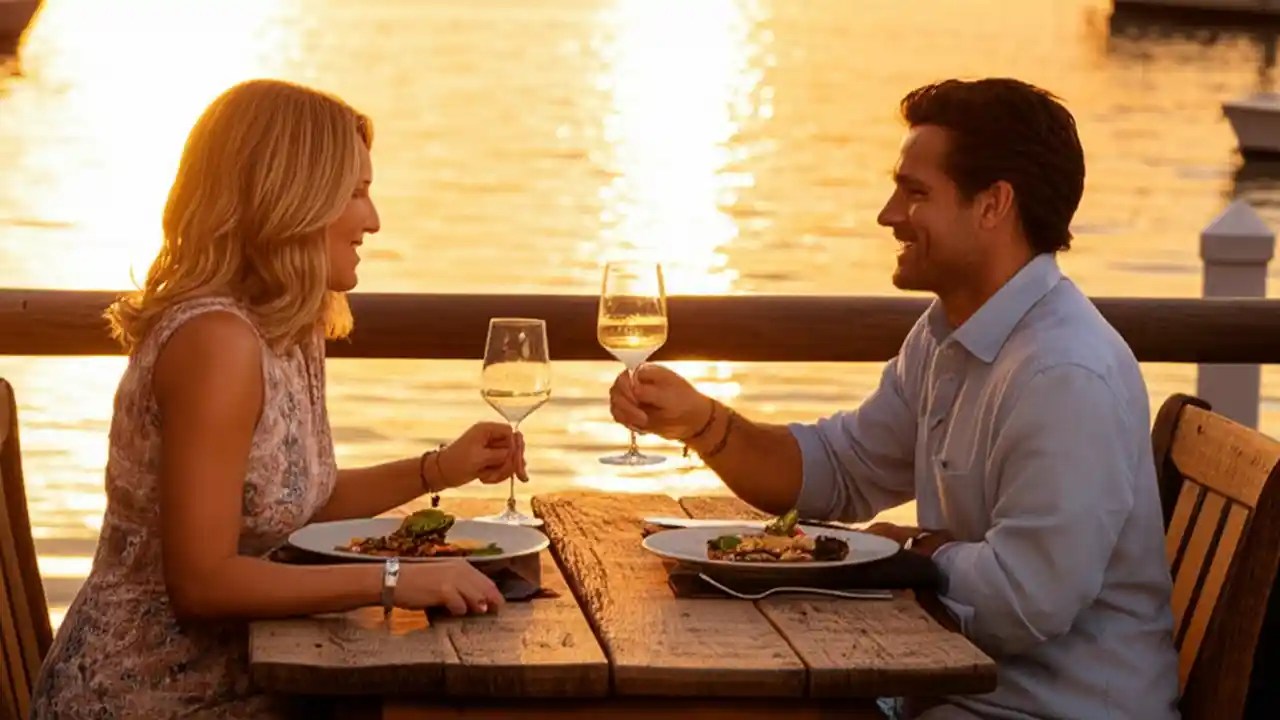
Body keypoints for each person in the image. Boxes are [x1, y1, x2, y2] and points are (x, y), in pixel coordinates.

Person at [609, 78, 1180, 719]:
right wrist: (704, 423)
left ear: (993, 204)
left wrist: (910, 553)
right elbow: (840, 470)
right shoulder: (946, 335)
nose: (887, 214)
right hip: (948, 697)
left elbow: (1024, 603)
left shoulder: (1064, 374)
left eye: (915, 193)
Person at [30, 78, 526, 718]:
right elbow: (201, 582)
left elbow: (296, 502)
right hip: (149, 695)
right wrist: (397, 582)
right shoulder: (216, 343)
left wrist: (438, 470)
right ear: (294, 197)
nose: (372, 220)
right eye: (356, 193)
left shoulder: (287, 328)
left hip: (257, 675)